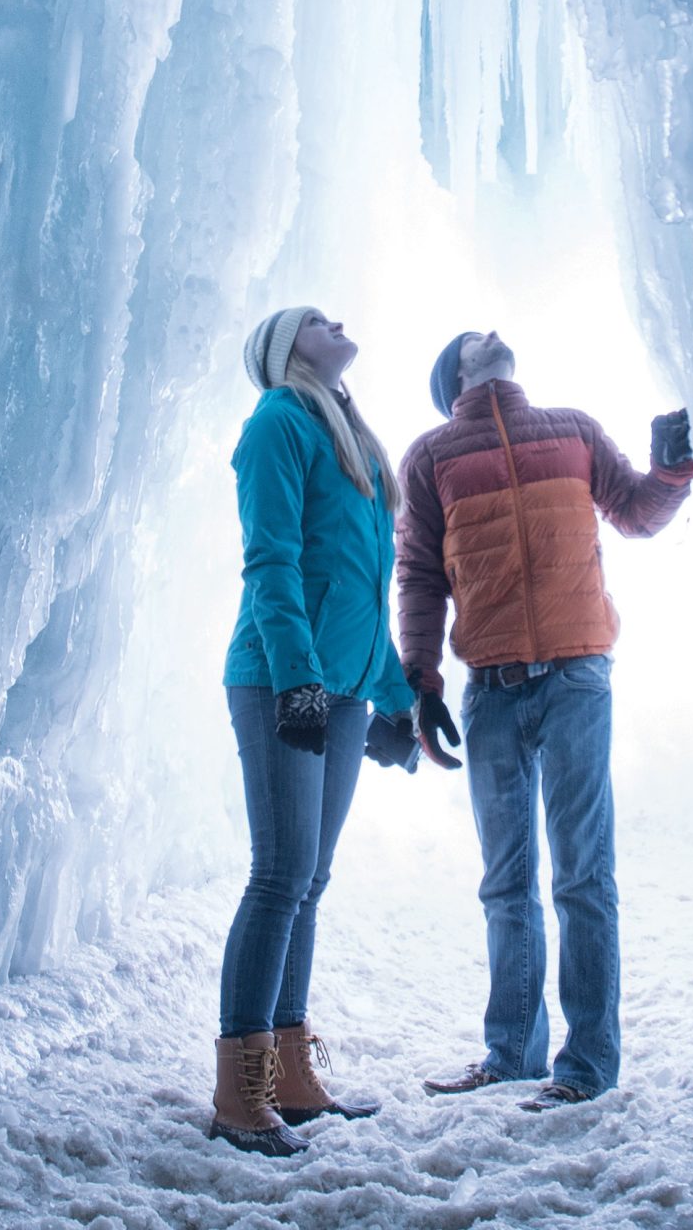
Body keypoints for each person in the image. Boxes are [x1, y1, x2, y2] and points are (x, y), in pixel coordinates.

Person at [397, 328, 693, 1110]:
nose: (491, 333)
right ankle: (511, 1055)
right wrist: (421, 683)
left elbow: (634, 512)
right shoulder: (431, 458)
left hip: (576, 677)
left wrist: (670, 470)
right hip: (491, 689)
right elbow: (421, 578)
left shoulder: (572, 428)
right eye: (471, 338)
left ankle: (586, 1066)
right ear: (455, 374)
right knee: (506, 883)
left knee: (583, 877)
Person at [213, 305, 422, 1156]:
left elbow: (362, 595)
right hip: (277, 678)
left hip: (339, 692)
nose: (336, 319)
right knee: (280, 873)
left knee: (312, 877)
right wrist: (297, 678)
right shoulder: (276, 423)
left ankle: (292, 1075)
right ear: (281, 351)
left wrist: (396, 697)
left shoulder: (356, 441)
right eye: (312, 318)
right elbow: (272, 561)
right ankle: (240, 1094)